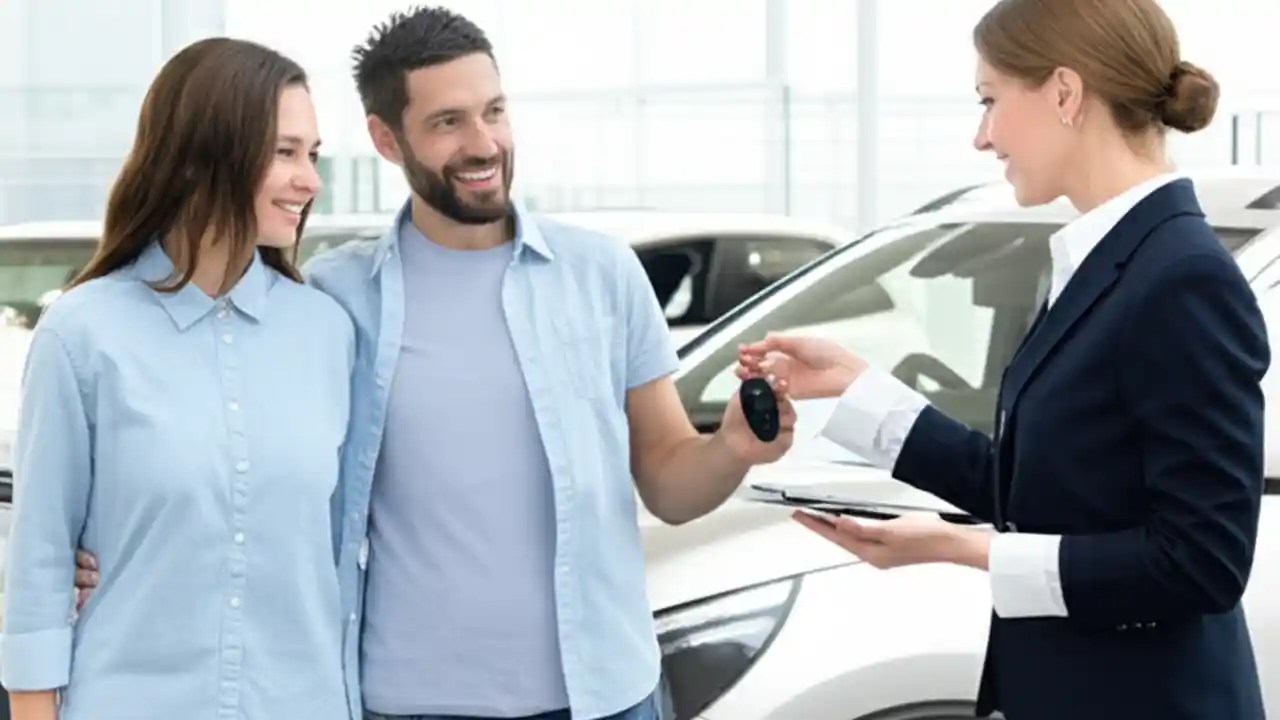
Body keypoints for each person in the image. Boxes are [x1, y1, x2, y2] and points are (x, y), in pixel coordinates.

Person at [738, 1, 1269, 718]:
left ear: (1064, 93)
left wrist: (968, 550)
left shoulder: (1179, 277)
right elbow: (1046, 489)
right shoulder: (1109, 259)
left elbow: (1202, 564)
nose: (982, 137)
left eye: (989, 101)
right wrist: (857, 391)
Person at [276, 7, 789, 720]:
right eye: (447, 122)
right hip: (408, 703)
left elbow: (669, 483)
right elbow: (263, 476)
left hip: (603, 697)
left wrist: (732, 447)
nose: (483, 143)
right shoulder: (336, 297)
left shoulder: (601, 274)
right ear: (386, 140)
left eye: (494, 111)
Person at [3, 37, 354, 720]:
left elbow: (345, 553)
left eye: (312, 154)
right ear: (200, 155)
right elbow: (40, 565)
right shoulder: (83, 334)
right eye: (284, 151)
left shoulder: (328, 333)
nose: (310, 179)